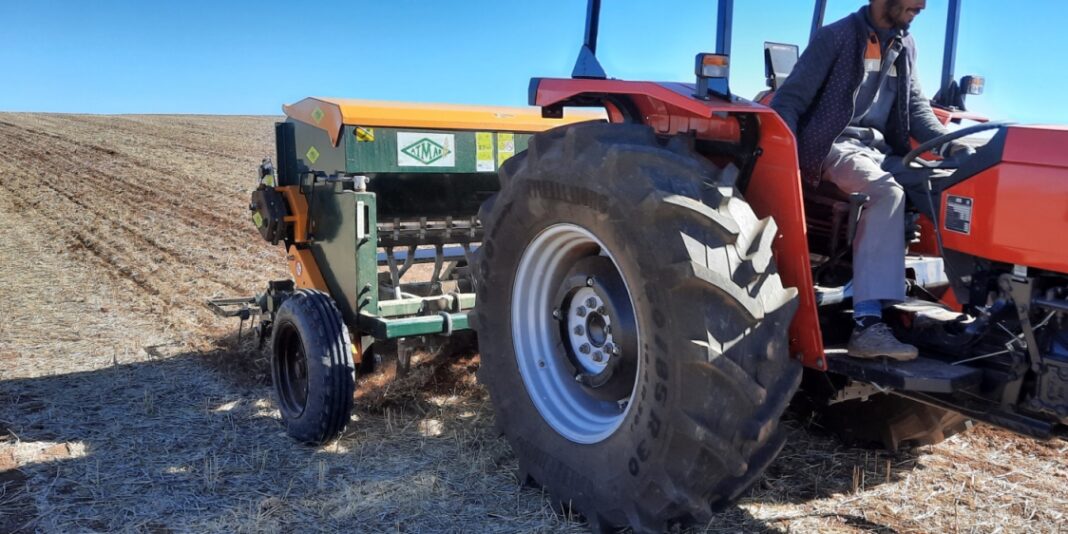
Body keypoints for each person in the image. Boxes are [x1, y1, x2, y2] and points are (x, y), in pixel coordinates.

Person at [771, 0, 972, 360]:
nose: (923, 5)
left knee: (950, 190)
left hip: (882, 151)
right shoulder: (835, 37)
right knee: (886, 193)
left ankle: (976, 307)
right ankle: (867, 325)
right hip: (833, 145)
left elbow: (916, 110)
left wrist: (952, 148)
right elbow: (789, 100)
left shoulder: (904, 44)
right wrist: (788, 162)